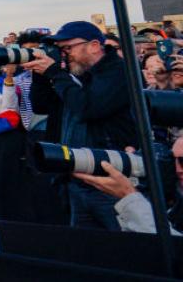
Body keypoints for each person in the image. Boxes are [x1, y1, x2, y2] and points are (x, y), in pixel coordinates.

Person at [24, 20, 137, 230]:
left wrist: (56, 74)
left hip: (110, 180)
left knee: (124, 243)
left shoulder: (119, 71)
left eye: (68, 48)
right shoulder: (76, 74)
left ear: (94, 45)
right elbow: (41, 106)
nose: (64, 54)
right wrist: (40, 75)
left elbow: (88, 108)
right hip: (76, 178)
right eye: (61, 50)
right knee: (86, 245)